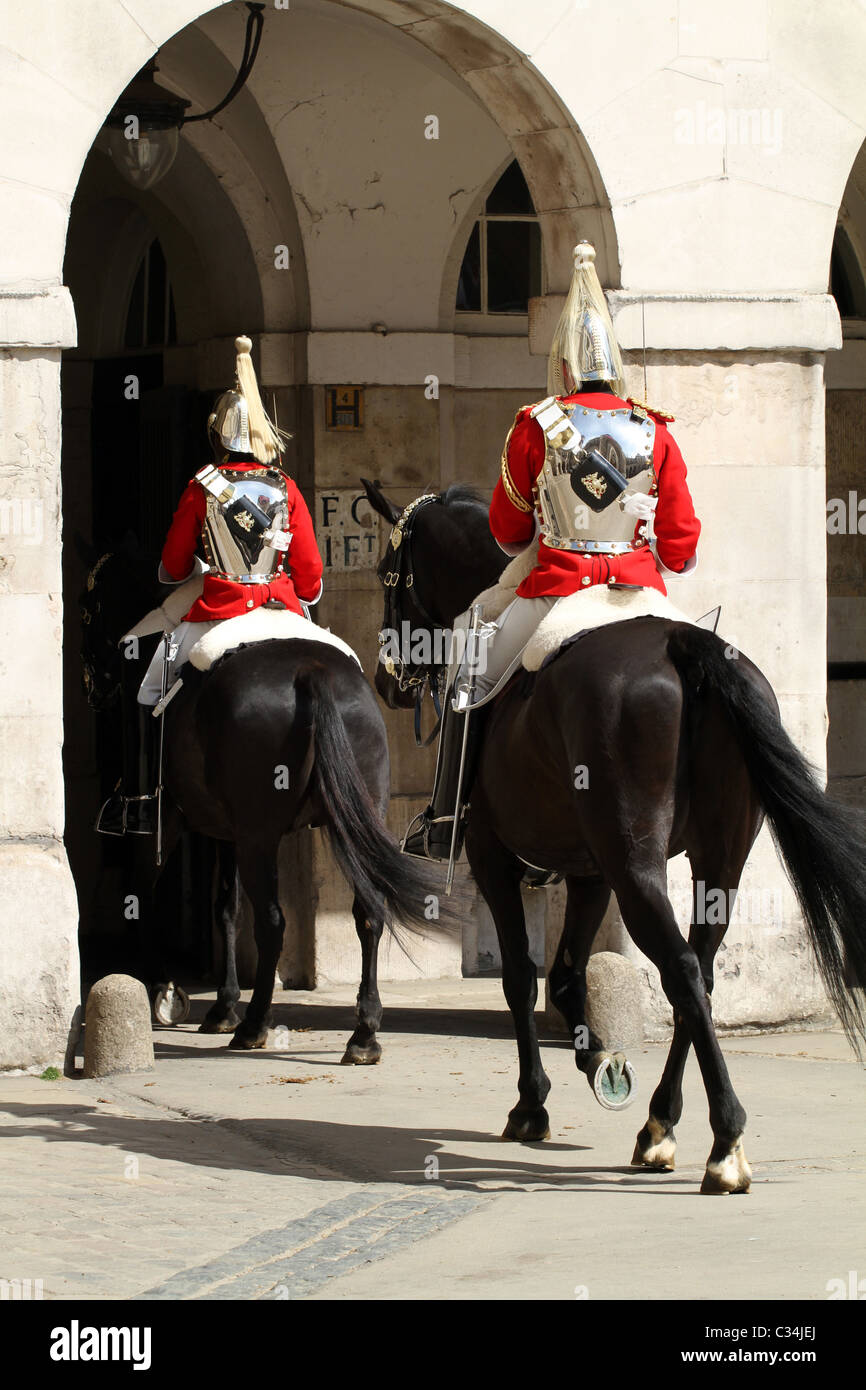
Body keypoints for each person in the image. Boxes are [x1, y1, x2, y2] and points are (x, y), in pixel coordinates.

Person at [403, 241, 701, 862]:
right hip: (641, 593)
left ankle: (449, 816)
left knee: (465, 664)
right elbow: (680, 550)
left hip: (558, 593)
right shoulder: (655, 430)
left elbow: (508, 533)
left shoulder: (537, 426)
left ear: (561, 365)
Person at [96, 335, 323, 836]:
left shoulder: (204, 487)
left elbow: (175, 566)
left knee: (145, 678)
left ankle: (139, 801)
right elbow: (309, 575)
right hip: (281, 605)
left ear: (217, 438)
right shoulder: (285, 487)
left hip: (220, 607)